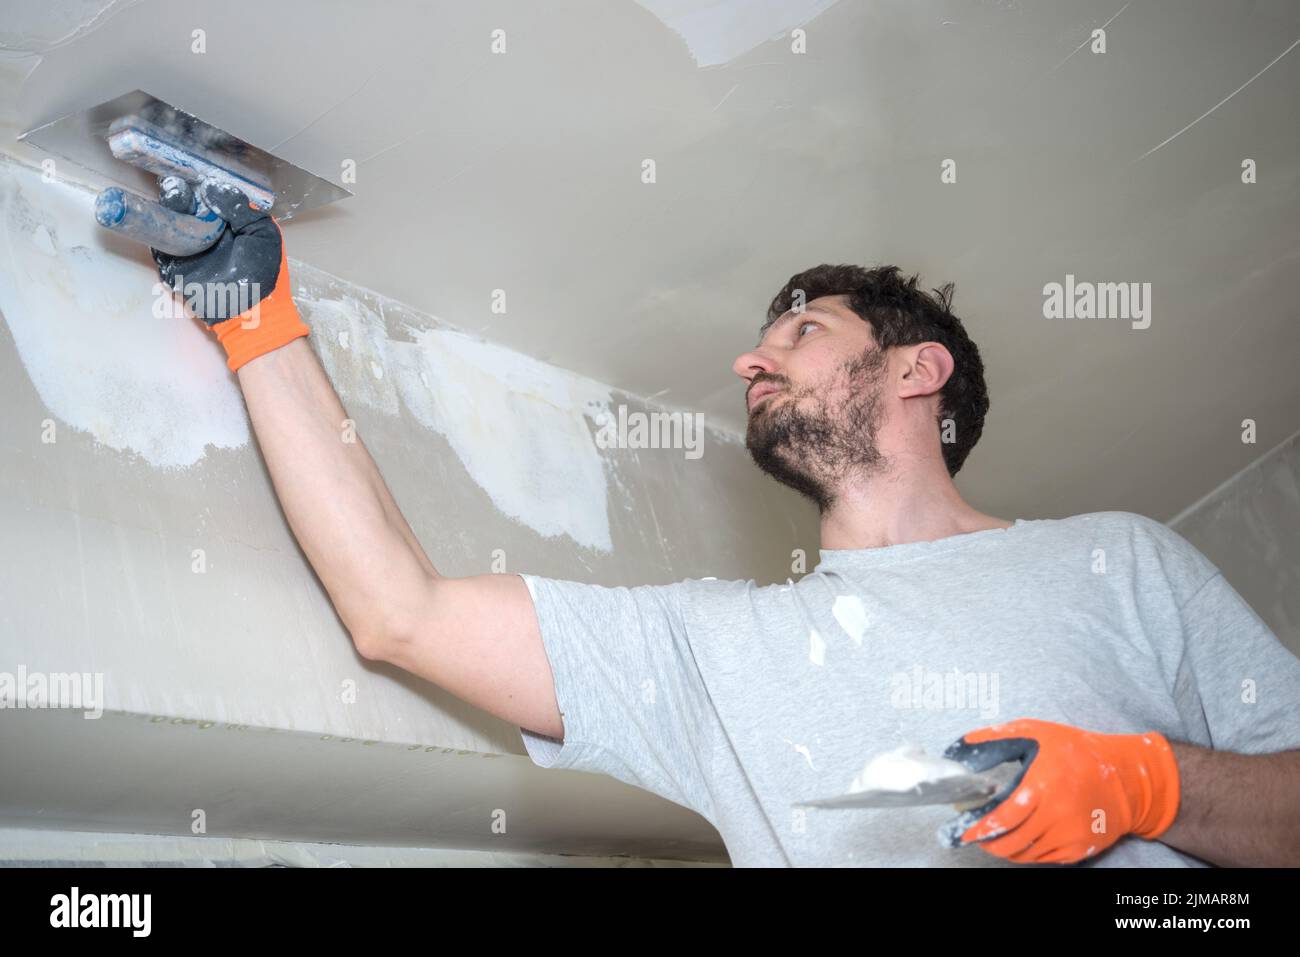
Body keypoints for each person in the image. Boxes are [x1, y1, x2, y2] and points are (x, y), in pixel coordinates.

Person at [152, 183, 1300, 867]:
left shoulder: (1119, 560)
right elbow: (399, 615)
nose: (748, 357)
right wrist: (257, 325)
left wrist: (1150, 784)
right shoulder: (712, 653)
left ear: (918, 369)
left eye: (800, 333)